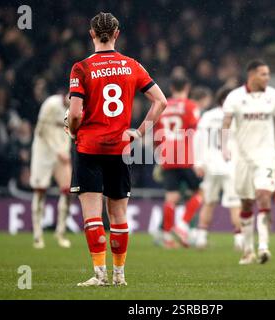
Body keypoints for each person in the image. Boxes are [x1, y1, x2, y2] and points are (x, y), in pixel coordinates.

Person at [66, 12, 167, 287]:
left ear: (91, 34)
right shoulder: (131, 65)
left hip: (89, 147)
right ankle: (119, 275)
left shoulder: (81, 68)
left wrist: (73, 130)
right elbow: (161, 102)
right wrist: (140, 132)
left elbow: (75, 113)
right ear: (117, 34)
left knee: (92, 213)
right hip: (120, 147)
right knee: (119, 214)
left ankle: (99, 274)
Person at [222, 60, 275, 265]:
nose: (267, 78)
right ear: (251, 75)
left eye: (268, 74)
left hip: (266, 156)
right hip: (242, 159)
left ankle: (264, 247)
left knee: (263, 196)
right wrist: (224, 146)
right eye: (263, 74)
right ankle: (248, 251)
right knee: (247, 202)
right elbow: (226, 123)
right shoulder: (235, 97)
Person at [153, 74, 202, 248]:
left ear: (172, 89)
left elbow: (156, 135)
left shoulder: (162, 107)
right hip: (186, 156)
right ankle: (182, 226)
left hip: (167, 156)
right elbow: (196, 132)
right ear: (187, 88)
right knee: (200, 193)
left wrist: (159, 155)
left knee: (171, 198)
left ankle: (166, 236)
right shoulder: (190, 106)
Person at [193, 85, 243, 250]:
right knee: (235, 203)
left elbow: (198, 140)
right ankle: (239, 240)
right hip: (230, 166)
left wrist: (198, 162)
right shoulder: (236, 117)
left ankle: (201, 238)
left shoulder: (208, 116)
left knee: (208, 202)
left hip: (211, 166)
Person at [30, 94, 72, 249]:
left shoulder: (75, 108)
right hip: (44, 151)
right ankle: (37, 235)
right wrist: (57, 150)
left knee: (68, 191)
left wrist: (65, 151)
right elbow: (40, 130)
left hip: (62, 153)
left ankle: (60, 233)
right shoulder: (50, 104)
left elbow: (70, 132)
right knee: (40, 191)